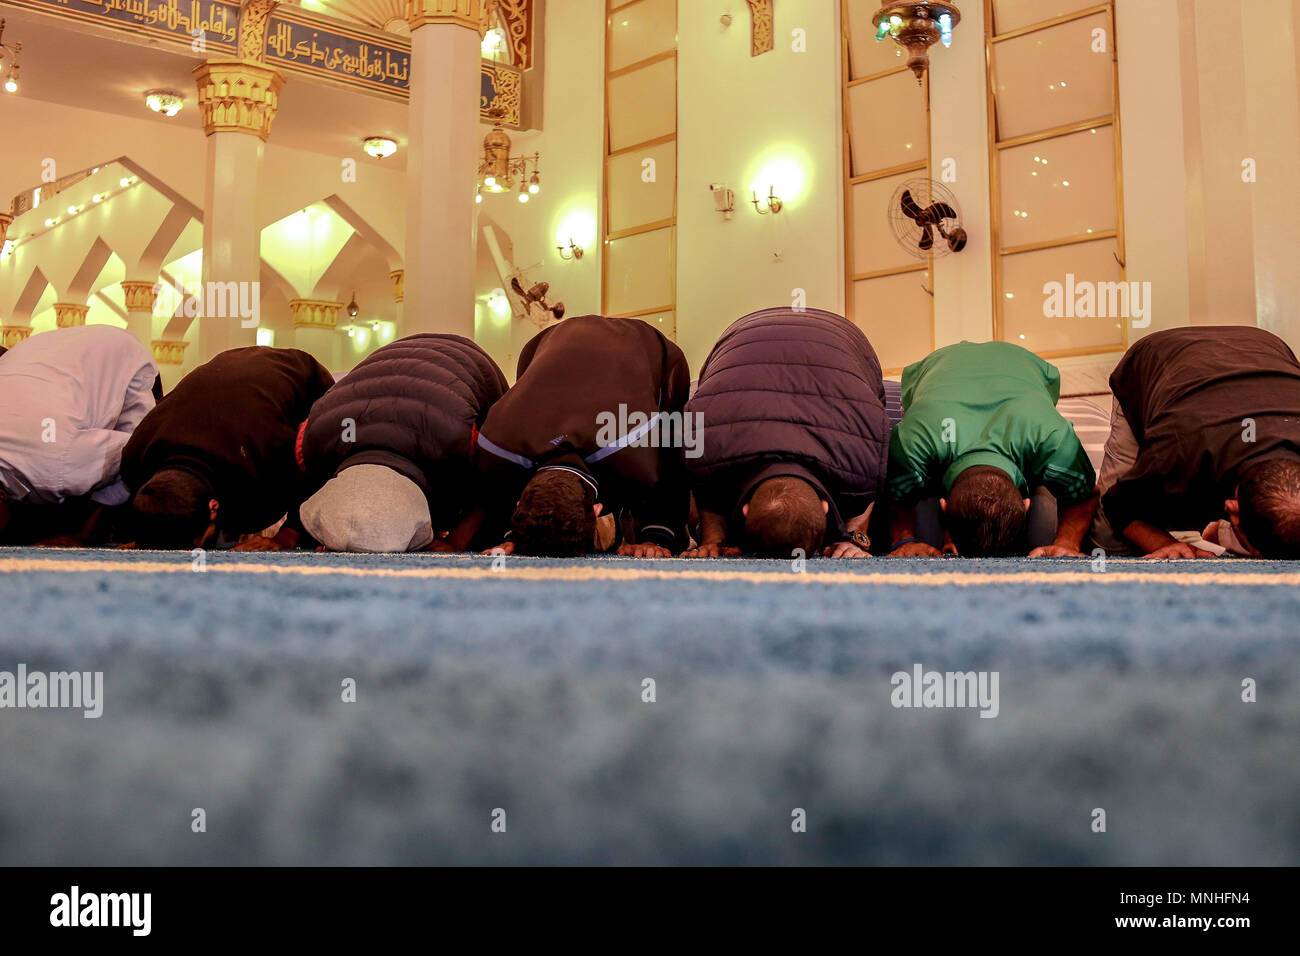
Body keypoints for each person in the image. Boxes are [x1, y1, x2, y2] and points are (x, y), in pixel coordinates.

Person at [681, 307, 890, 559]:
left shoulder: (862, 448)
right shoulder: (705, 433)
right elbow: (706, 481)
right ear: (825, 507)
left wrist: (853, 538)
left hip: (756, 335)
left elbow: (707, 486)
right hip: (748, 334)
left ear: (745, 510)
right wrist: (853, 538)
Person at [476, 315, 691, 557]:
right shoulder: (496, 446)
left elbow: (673, 468)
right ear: (597, 509)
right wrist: (520, 535)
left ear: (598, 510)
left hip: (646, 343)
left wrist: (657, 538)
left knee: (677, 435)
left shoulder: (631, 443)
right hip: (548, 339)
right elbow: (501, 500)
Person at [1093, 325, 1300, 559]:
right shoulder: (1175, 451)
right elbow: (1117, 503)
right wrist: (1162, 543)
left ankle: (1216, 533)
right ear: (1232, 510)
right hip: (1158, 355)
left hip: (1265, 344)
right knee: (1110, 543)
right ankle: (1217, 532)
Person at [289, 333, 507, 553]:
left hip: (474, 364)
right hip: (397, 363)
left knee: (489, 532)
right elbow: (307, 489)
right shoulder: (317, 437)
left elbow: (495, 484)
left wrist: (455, 543)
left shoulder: (457, 440)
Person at [886, 341, 1096, 557]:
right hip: (936, 368)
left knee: (1041, 534)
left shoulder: (1053, 442)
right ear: (1025, 504)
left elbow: (1084, 495)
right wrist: (905, 540)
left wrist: (1066, 543)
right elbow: (896, 496)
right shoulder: (911, 443)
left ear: (944, 505)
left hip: (1023, 365)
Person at [120, 346, 334, 549]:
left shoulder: (266, 460)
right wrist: (151, 539)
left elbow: (320, 469)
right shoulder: (135, 459)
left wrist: (290, 534)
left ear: (214, 507)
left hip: (302, 375)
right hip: (228, 370)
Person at [0, 325, 158, 545]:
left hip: (121, 354)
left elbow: (136, 449)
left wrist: (82, 536)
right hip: (35, 350)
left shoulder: (57, 468)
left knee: (140, 454)